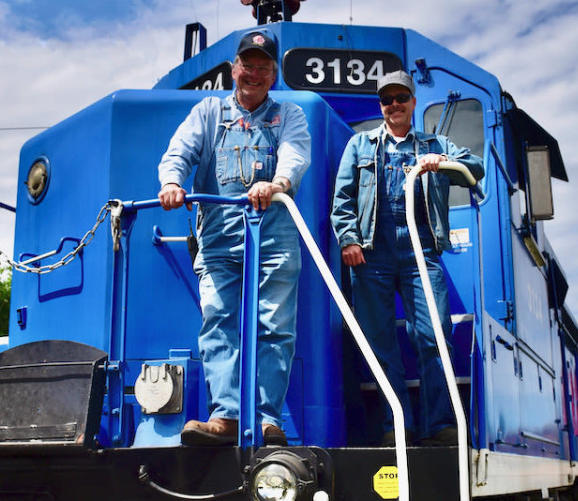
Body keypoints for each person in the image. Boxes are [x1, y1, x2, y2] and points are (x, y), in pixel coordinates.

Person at [158, 31, 311, 446]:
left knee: (275, 326)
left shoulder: (289, 116)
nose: (255, 74)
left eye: (264, 67)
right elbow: (180, 152)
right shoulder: (207, 112)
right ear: (234, 69)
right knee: (219, 321)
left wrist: (278, 182)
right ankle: (225, 416)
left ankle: (266, 418)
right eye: (248, 65)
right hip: (219, 243)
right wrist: (172, 181)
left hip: (274, 242)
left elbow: (295, 153)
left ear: (273, 73)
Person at [330, 70, 484, 447]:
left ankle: (440, 424)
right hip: (370, 254)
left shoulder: (435, 142)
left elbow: (476, 168)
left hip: (421, 253)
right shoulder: (360, 146)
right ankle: (395, 425)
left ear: (413, 102)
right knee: (380, 345)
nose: (394, 105)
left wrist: (443, 161)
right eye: (387, 100)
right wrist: (348, 239)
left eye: (401, 97)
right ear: (381, 106)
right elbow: (343, 199)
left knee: (435, 338)